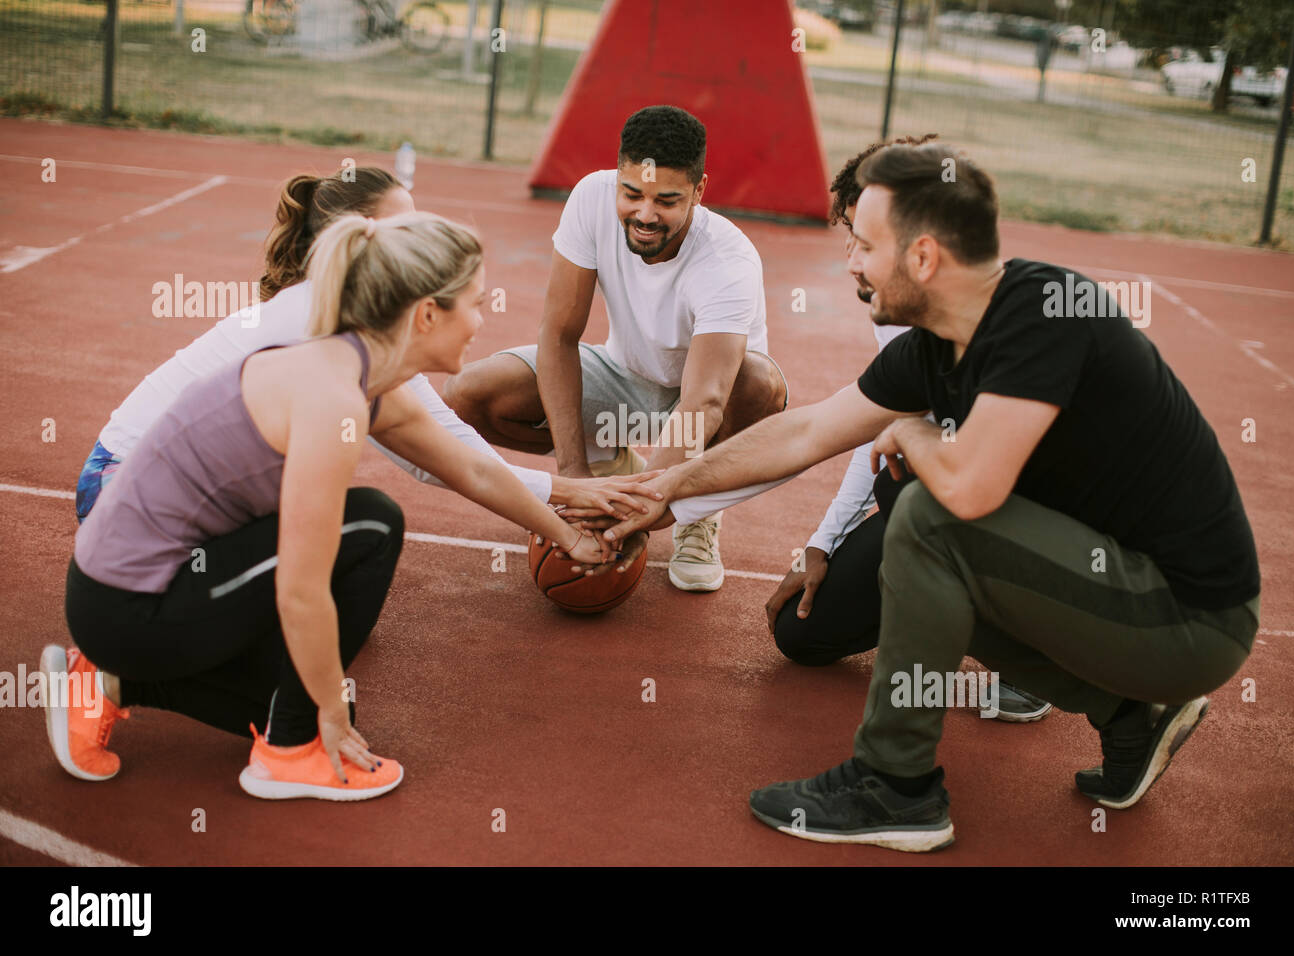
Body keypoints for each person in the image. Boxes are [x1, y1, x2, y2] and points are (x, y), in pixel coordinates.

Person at [602, 141, 1260, 851]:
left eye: (863, 245)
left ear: (921, 259)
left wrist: (913, 435)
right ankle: (1129, 715)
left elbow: (969, 489)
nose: (850, 262)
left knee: (926, 515)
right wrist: (660, 489)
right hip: (1119, 599)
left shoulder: (1042, 314)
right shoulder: (932, 345)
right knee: (921, 560)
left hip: (1189, 621)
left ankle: (897, 785)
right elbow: (809, 430)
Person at [48, 211, 612, 800]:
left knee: (303, 690)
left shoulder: (353, 369)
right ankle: (290, 755)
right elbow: (300, 587)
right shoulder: (333, 399)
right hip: (129, 605)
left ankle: (106, 683)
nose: (479, 320)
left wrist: (567, 534)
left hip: (135, 589)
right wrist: (328, 720)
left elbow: (470, 467)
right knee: (369, 527)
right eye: (473, 302)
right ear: (425, 314)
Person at [74, 167, 653, 527]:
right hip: (121, 487)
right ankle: (130, 663)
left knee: (347, 541)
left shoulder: (352, 315)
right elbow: (454, 462)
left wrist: (561, 500)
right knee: (347, 544)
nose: (420, 238)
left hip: (156, 485)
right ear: (352, 240)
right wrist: (567, 498)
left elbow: (442, 457)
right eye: (402, 230)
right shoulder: (327, 324)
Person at [443, 105, 788, 593]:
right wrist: (575, 481)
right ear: (618, 177)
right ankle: (611, 467)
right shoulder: (590, 198)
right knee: (467, 394)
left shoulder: (728, 260)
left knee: (759, 383)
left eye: (667, 200)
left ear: (700, 190)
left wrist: (634, 510)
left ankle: (697, 513)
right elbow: (559, 335)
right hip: (624, 379)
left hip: (707, 404)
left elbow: (704, 400)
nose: (645, 215)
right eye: (632, 195)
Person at [764, 140, 1052, 722]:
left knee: (907, 486)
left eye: (864, 240)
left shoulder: (1012, 316)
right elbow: (849, 430)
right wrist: (822, 543)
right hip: (950, 500)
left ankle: (1037, 654)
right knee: (803, 634)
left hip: (1034, 519)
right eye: (849, 235)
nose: (850, 257)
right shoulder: (898, 315)